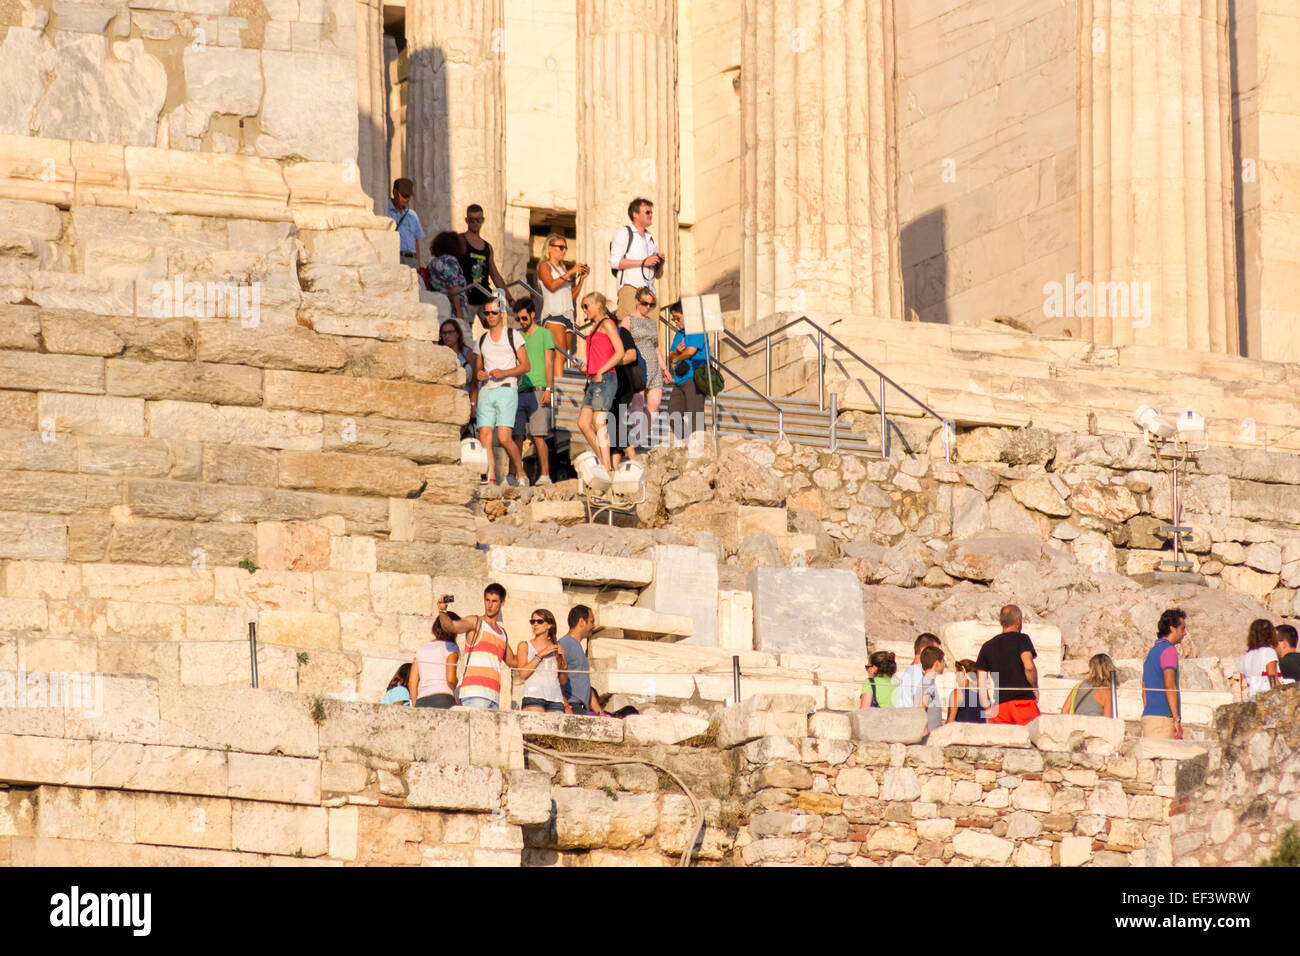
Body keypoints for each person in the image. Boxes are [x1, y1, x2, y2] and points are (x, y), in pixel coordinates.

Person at [435, 585, 517, 710]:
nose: (489, 605)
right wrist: (442, 611)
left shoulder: (502, 633)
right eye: (487, 600)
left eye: (494, 601)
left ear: (502, 603)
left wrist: (536, 651)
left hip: (494, 696)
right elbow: (451, 627)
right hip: (474, 693)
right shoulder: (476, 622)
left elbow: (513, 661)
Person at [475, 301, 530, 486]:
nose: (490, 315)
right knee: (484, 436)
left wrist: (505, 372)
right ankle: (491, 478)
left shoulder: (512, 335)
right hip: (486, 390)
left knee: (505, 437)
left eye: (494, 312)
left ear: (502, 314)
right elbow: (478, 368)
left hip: (506, 388)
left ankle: (520, 473)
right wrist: (480, 373)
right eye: (487, 312)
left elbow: (525, 365)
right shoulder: (481, 339)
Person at [576, 292, 625, 473]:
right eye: (583, 307)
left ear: (598, 305)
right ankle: (606, 463)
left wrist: (601, 371)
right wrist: (587, 367)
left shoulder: (607, 324)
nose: (584, 310)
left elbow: (619, 352)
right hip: (593, 379)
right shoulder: (595, 327)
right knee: (583, 423)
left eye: (586, 306)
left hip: (605, 378)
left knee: (599, 423)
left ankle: (607, 468)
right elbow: (600, 354)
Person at [510, 298, 555, 485]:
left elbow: (548, 362)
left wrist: (549, 389)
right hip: (519, 390)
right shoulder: (517, 335)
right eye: (519, 319)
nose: (522, 322)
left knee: (538, 434)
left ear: (533, 314)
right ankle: (514, 475)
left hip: (538, 389)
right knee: (517, 435)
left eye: (524, 318)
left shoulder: (545, 333)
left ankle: (545, 475)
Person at [975, 605, 1040, 725]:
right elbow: (1029, 666)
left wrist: (988, 710)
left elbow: (981, 685)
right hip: (1023, 703)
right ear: (1018, 621)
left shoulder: (987, 646)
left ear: (1000, 622)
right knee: (1031, 739)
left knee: (1003, 742)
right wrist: (1035, 687)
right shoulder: (1022, 639)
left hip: (1000, 707)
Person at [536, 232, 588, 381]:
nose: (564, 251)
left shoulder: (563, 270)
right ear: (550, 248)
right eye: (560, 247)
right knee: (559, 354)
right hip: (553, 313)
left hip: (567, 314)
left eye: (565, 248)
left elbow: (571, 296)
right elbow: (551, 286)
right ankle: (556, 390)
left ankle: (558, 386)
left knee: (564, 354)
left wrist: (581, 280)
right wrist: (571, 272)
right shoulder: (544, 265)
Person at [627, 286, 669, 448]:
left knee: (655, 403)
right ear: (637, 301)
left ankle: (642, 435)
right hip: (638, 364)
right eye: (645, 303)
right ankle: (637, 436)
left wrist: (664, 368)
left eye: (651, 305)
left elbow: (656, 346)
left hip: (653, 364)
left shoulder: (652, 322)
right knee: (638, 400)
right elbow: (621, 340)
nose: (647, 307)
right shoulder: (628, 319)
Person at [609, 197, 665, 320]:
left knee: (651, 333)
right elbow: (614, 262)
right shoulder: (624, 232)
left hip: (650, 291)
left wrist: (660, 263)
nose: (651, 215)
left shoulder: (650, 238)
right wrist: (644, 262)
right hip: (631, 287)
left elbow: (658, 275)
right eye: (647, 212)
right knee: (630, 330)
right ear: (635, 214)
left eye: (651, 212)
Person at [458, 204, 508, 329]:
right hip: (466, 297)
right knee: (466, 333)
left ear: (483, 221)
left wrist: (510, 298)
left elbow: (495, 275)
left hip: (484, 295)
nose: (475, 223)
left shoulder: (487, 247)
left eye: (478, 220)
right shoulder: (460, 240)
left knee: (496, 328)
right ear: (466, 221)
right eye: (471, 220)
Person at [1141, 608, 1186, 739]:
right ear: (1172, 628)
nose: (1185, 633)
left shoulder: (1152, 652)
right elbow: (1170, 686)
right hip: (1164, 718)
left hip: (1149, 716)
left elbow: (1144, 690)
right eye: (1182, 628)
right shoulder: (1169, 650)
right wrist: (1176, 719)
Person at [666, 301, 708, 442]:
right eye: (674, 320)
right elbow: (670, 354)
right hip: (680, 379)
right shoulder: (680, 334)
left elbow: (690, 351)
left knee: (695, 415)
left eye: (678, 318)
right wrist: (676, 353)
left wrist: (676, 357)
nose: (676, 322)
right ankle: (686, 442)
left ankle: (700, 446)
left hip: (694, 378)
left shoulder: (696, 329)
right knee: (673, 413)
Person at [516, 608, 568, 714]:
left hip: (555, 698)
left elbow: (562, 681)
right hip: (533, 696)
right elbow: (522, 674)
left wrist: (563, 662)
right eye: (532, 621)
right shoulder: (524, 645)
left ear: (549, 625)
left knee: (555, 730)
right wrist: (540, 654)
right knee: (534, 730)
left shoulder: (557, 647)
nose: (535, 624)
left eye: (539, 621)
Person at [558, 604, 605, 716]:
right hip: (571, 707)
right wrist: (566, 706)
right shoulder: (564, 644)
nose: (593, 626)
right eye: (591, 621)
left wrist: (600, 712)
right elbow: (556, 679)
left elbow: (585, 684)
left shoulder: (578, 647)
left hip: (581, 707)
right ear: (581, 622)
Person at [609, 311, 642, 466]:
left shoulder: (622, 333)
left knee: (615, 422)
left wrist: (612, 361)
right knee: (613, 422)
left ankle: (633, 458)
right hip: (610, 385)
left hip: (623, 385)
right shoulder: (604, 336)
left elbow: (632, 355)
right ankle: (614, 466)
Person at [408, 613, 460, 709]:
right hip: (443, 697)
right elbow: (451, 679)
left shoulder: (421, 648)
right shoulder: (451, 647)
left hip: (422, 700)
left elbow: (412, 681)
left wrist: (415, 705)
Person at [439, 318, 478, 434]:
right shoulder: (439, 353)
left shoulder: (468, 353)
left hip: (464, 400)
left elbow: (474, 381)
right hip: (446, 400)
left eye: (450, 332)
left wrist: (473, 404)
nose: (447, 336)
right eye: (444, 333)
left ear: (457, 334)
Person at [426, 231, 470, 328]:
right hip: (453, 305)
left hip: (441, 304)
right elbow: (453, 286)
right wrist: (459, 311)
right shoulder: (449, 261)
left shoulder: (434, 262)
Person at [1060, 653, 1116, 717]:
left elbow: (1064, 712)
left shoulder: (1078, 687)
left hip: (1076, 725)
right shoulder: (1107, 693)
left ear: (1091, 668)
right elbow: (1108, 721)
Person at [894, 633, 941, 709]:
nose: (938, 656)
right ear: (923, 651)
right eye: (935, 651)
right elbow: (919, 705)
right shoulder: (917, 673)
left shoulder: (913, 671)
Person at [1240, 618, 1280, 702]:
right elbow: (1273, 680)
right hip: (1266, 700)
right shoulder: (1268, 652)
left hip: (1251, 701)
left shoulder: (1245, 656)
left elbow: (1243, 686)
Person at [389, 178, 425, 269]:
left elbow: (416, 241)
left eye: (409, 196)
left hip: (411, 259)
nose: (407, 199)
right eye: (404, 196)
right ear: (395, 192)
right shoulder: (385, 210)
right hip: (394, 257)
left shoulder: (412, 215)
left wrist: (418, 263)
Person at [919, 645, 946, 733]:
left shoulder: (928, 681)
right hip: (927, 737)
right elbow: (920, 708)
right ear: (936, 663)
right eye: (943, 661)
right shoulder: (927, 682)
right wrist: (924, 729)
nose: (944, 664)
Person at [947, 659, 984, 724]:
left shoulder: (957, 694)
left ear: (964, 673)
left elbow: (949, 724)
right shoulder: (984, 696)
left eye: (957, 673)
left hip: (963, 733)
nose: (956, 677)